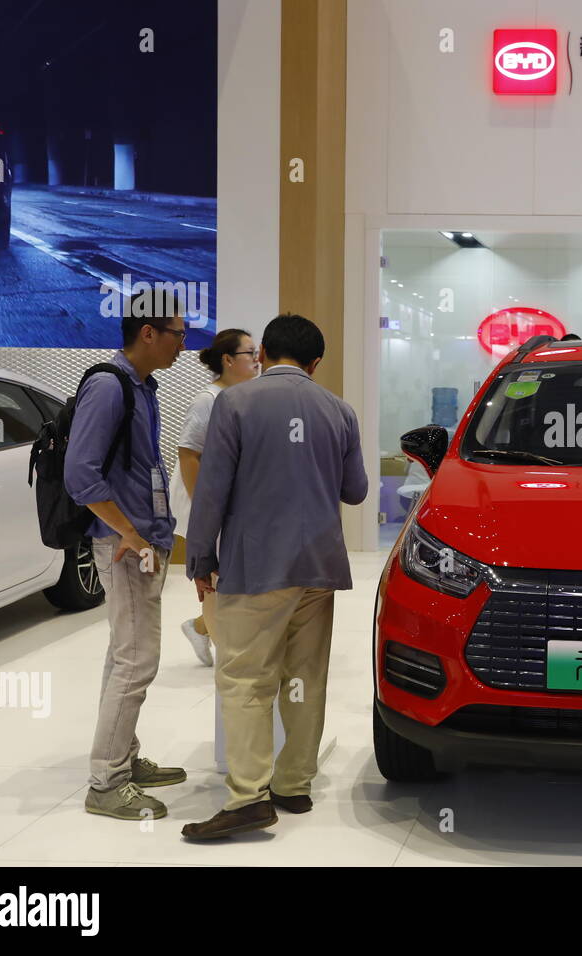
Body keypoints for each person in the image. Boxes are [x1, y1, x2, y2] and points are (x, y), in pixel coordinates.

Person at [182, 313, 368, 840]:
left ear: (262, 353)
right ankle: (294, 784)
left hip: (256, 564)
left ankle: (247, 798)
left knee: (245, 678)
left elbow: (212, 490)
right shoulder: (340, 411)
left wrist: (200, 560)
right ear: (315, 363)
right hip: (319, 565)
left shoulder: (234, 403)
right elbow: (355, 492)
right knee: (303, 677)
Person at [65, 290, 188, 822]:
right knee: (137, 660)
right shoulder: (108, 387)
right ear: (148, 333)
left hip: (141, 540)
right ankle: (107, 781)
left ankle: (123, 758)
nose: (185, 343)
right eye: (178, 333)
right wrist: (129, 534)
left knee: (125, 654)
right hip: (122, 548)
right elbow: (80, 475)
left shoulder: (144, 387)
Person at [171, 329, 260, 665]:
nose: (256, 360)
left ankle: (201, 627)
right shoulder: (207, 400)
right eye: (249, 353)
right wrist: (203, 509)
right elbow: (188, 454)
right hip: (206, 503)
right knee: (214, 576)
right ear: (228, 360)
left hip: (229, 503)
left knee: (228, 575)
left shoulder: (243, 396)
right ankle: (227, 654)